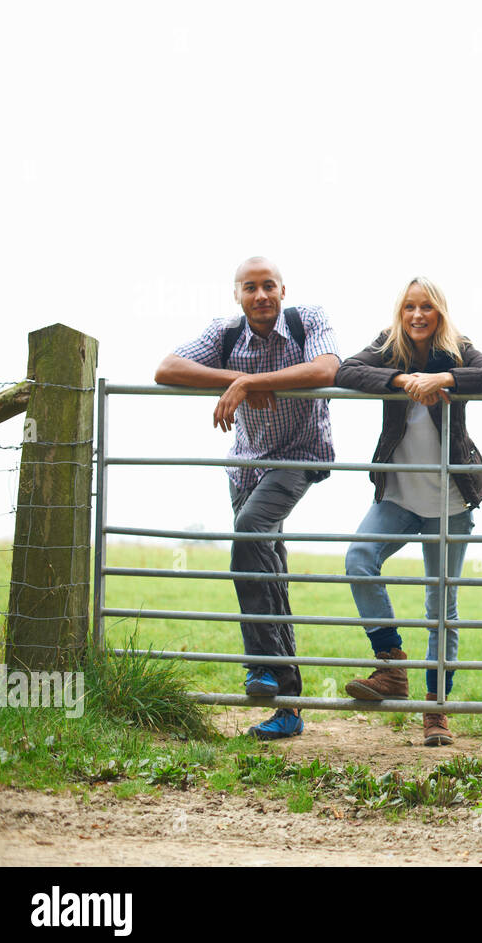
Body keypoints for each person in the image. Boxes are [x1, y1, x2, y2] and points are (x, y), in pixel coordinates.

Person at [154, 256, 340, 741]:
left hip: (300, 455)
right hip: (245, 467)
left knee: (249, 534)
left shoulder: (308, 319)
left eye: (269, 286)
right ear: (237, 294)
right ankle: (289, 707)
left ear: (283, 289)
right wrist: (234, 381)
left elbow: (327, 369)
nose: (261, 296)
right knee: (269, 573)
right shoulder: (226, 332)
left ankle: (260, 665)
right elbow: (166, 368)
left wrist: (255, 382)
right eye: (250, 288)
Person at [335, 276, 482, 746]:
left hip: (450, 503)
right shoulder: (387, 348)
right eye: (410, 307)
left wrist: (445, 378)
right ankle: (392, 665)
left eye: (427, 308)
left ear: (440, 313)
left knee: (441, 608)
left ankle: (436, 712)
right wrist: (399, 380)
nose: (417, 316)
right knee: (359, 559)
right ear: (401, 312)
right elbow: (345, 371)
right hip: (397, 498)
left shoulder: (458, 349)